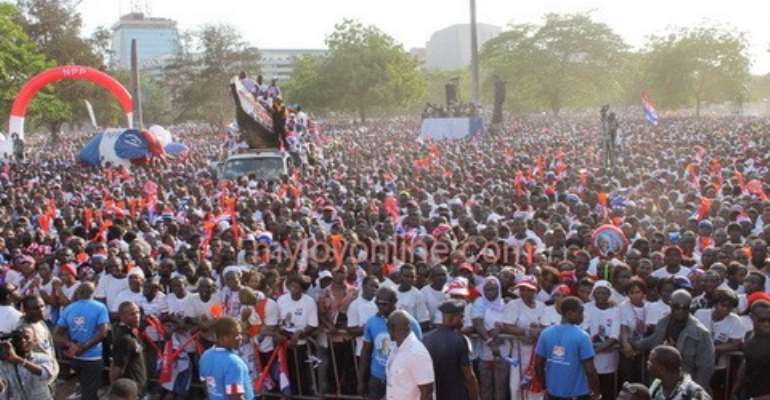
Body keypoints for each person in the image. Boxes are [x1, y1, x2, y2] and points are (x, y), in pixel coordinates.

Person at [632, 289, 714, 388]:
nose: (680, 311)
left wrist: (694, 392)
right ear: (670, 305)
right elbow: (652, 340)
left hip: (684, 385)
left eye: (685, 308)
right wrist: (630, 342)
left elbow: (705, 368)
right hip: (659, 383)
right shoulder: (662, 323)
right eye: (677, 307)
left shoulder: (701, 333)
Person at [358, 287, 422, 400]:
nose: (380, 307)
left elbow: (418, 355)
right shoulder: (371, 322)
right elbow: (366, 352)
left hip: (400, 380)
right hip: (376, 379)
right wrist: (361, 381)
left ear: (394, 303)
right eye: (377, 303)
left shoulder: (410, 323)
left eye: (384, 304)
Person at [534, 296, 602, 400]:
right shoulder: (582, 336)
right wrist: (596, 393)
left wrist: (545, 387)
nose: (582, 316)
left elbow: (538, 365)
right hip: (577, 395)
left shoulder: (545, 333)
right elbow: (590, 371)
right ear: (569, 313)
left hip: (552, 393)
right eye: (580, 312)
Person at [54, 282, 110, 400]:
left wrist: (71, 345)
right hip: (93, 357)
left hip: (75, 357)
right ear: (93, 293)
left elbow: (56, 334)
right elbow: (103, 332)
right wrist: (83, 347)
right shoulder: (100, 307)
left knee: (85, 387)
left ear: (78, 293)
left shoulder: (69, 308)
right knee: (90, 392)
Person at [423, 299, 480, 400]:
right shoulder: (460, 340)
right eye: (461, 317)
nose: (463, 321)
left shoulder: (426, 338)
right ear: (454, 317)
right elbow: (469, 376)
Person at [199, 316, 254, 400]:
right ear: (223, 338)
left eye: (240, 334)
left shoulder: (205, 356)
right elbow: (235, 396)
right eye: (236, 335)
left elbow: (204, 384)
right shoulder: (233, 363)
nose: (240, 338)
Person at [385, 310, 434, 400]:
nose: (387, 331)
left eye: (388, 327)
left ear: (393, 328)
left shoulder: (416, 353)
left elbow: (427, 392)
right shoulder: (396, 348)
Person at [0, 326, 57, 400]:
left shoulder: (42, 358)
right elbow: (2, 388)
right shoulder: (4, 364)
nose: (23, 341)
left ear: (35, 340)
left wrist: (17, 359)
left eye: (26, 337)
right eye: (18, 339)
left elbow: (45, 374)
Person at [732, 292, 770, 400]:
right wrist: (735, 389)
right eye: (762, 320)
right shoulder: (749, 336)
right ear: (752, 318)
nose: (767, 324)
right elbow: (746, 363)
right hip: (749, 393)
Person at [110, 302, 147, 393]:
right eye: (132, 314)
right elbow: (116, 369)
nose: (137, 316)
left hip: (137, 388)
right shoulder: (125, 339)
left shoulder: (132, 333)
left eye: (138, 312)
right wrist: (114, 392)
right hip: (129, 391)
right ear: (122, 317)